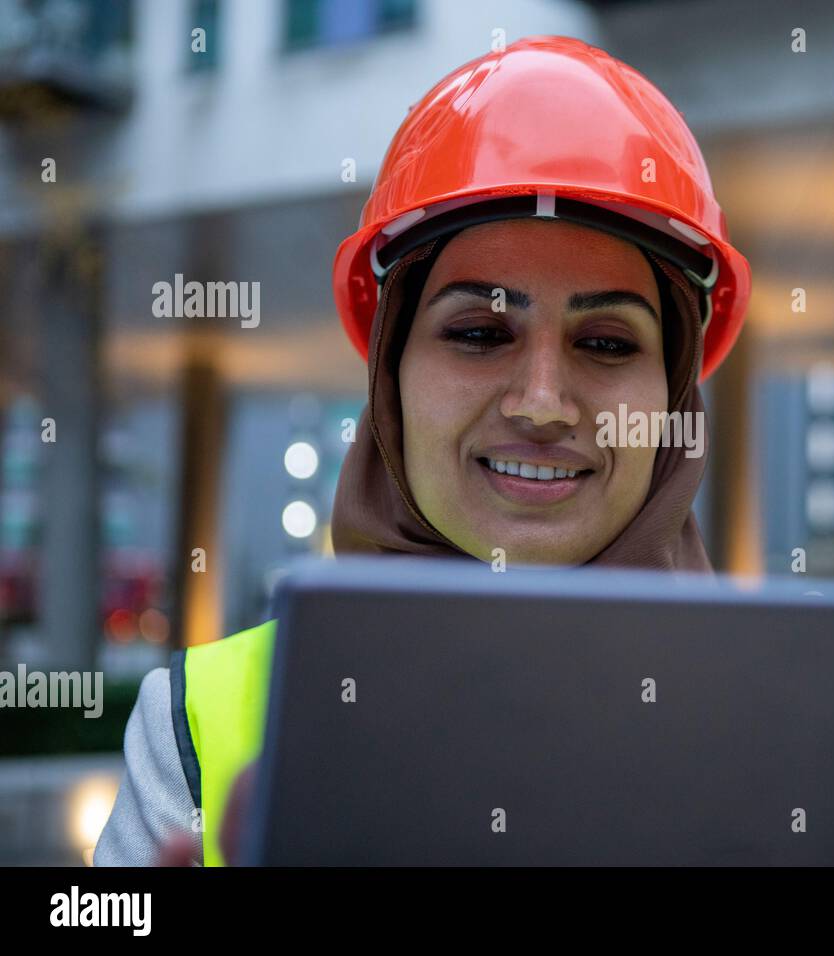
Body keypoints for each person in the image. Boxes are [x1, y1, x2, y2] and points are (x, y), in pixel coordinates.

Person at [93, 35, 750, 867]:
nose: (542, 404)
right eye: (479, 332)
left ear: (673, 397)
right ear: (389, 379)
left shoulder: (785, 722)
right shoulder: (196, 718)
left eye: (609, 344)